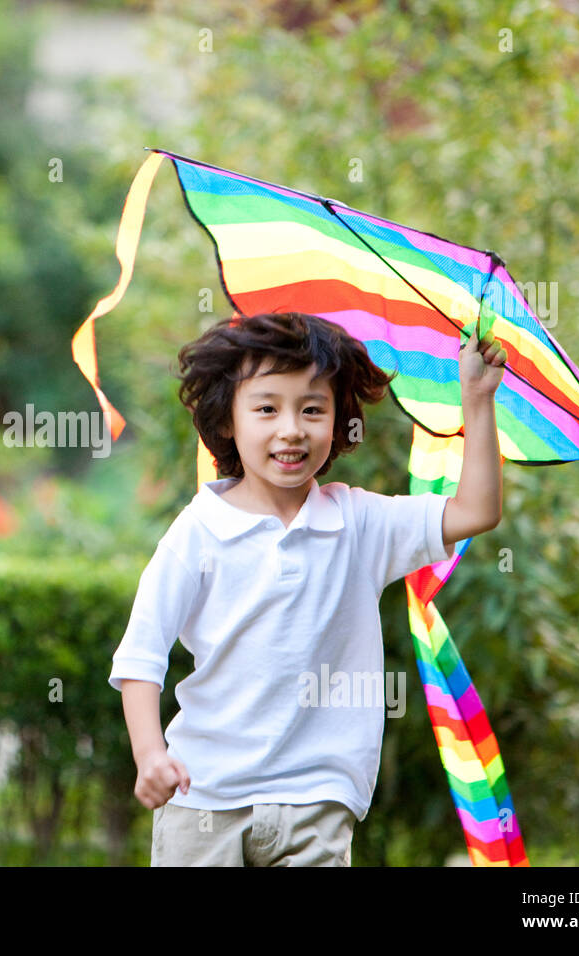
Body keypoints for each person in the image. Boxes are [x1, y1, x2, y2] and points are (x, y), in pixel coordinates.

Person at [110, 310, 506, 866]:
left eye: (313, 409)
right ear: (227, 421)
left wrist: (479, 400)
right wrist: (151, 755)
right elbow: (141, 657)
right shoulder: (198, 532)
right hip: (202, 797)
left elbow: (476, 510)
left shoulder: (360, 524)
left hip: (317, 803)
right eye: (267, 408)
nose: (291, 428)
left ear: (339, 422)